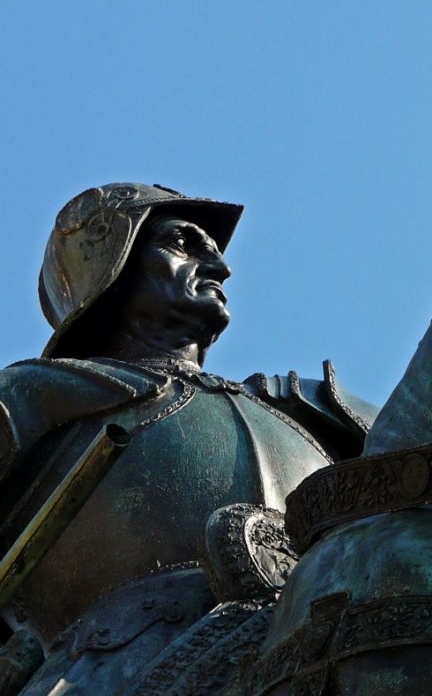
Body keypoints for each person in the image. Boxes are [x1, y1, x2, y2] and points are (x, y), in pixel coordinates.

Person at [0, 183, 378, 695]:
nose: (220, 268)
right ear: (112, 263)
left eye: (216, 253)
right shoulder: (31, 397)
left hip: (325, 637)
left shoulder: (305, 408)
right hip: (106, 665)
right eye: (183, 243)